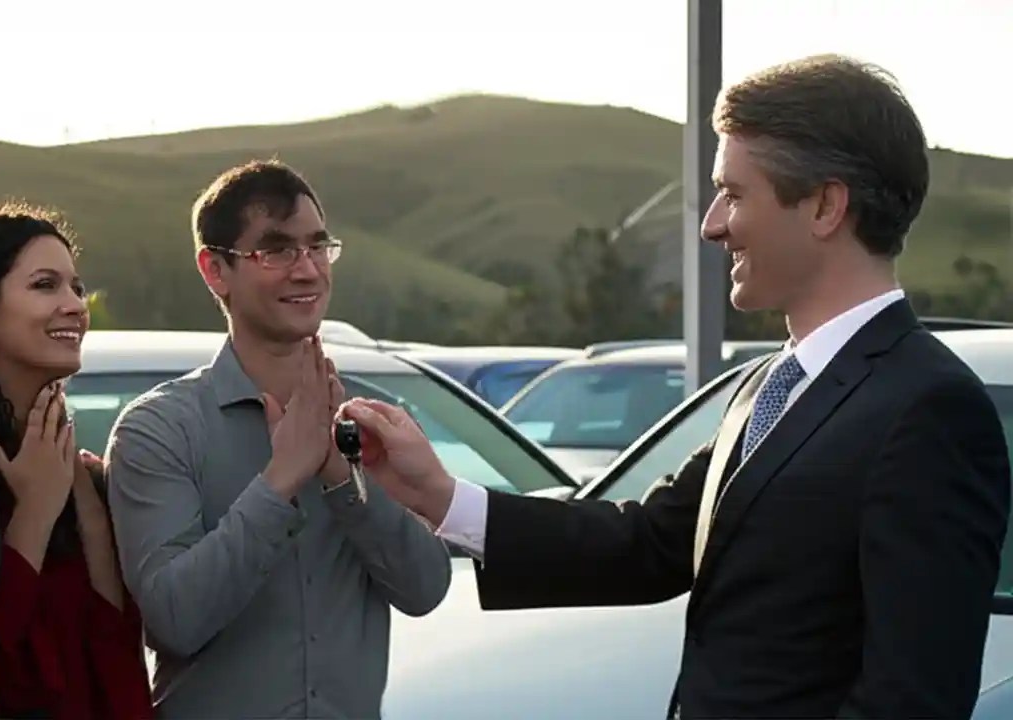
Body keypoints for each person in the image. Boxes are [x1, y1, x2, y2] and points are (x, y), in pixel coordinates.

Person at [339, 54, 1011, 720]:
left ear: (826, 205)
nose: (712, 223)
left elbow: (911, 701)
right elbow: (651, 543)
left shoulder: (929, 411)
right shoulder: (770, 384)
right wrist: (440, 494)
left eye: (736, 193)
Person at [105, 159, 452, 719]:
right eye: (277, 250)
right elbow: (174, 620)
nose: (308, 270)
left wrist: (341, 478)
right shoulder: (159, 430)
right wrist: (281, 479)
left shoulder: (369, 421)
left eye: (318, 247)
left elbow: (426, 588)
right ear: (215, 270)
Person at [0, 203, 152, 720]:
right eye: (45, 285)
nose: (75, 305)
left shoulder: (86, 476)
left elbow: (118, 660)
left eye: (75, 286)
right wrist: (35, 513)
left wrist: (88, 511)